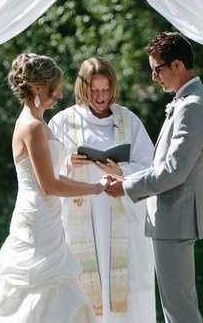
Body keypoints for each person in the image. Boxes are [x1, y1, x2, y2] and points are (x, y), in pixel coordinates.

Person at [0, 53, 102, 323]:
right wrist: (95, 188)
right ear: (38, 87)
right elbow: (49, 185)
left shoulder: (39, 123)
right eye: (56, 85)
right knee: (45, 290)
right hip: (38, 219)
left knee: (56, 293)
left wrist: (69, 162)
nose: (61, 92)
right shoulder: (33, 126)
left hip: (48, 217)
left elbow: (48, 172)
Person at [103, 32, 203, 323]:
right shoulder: (190, 101)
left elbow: (174, 171)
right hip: (175, 219)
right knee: (177, 306)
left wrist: (126, 187)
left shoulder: (192, 106)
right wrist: (126, 176)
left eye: (157, 69)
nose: (154, 77)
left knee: (179, 311)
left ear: (177, 65)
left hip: (175, 219)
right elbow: (168, 164)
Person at [49, 58, 156, 323]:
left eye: (106, 90)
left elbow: (152, 166)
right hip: (81, 218)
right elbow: (45, 174)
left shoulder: (128, 121)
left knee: (125, 288)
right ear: (83, 89)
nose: (101, 97)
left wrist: (122, 171)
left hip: (122, 218)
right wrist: (67, 163)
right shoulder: (63, 122)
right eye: (95, 91)